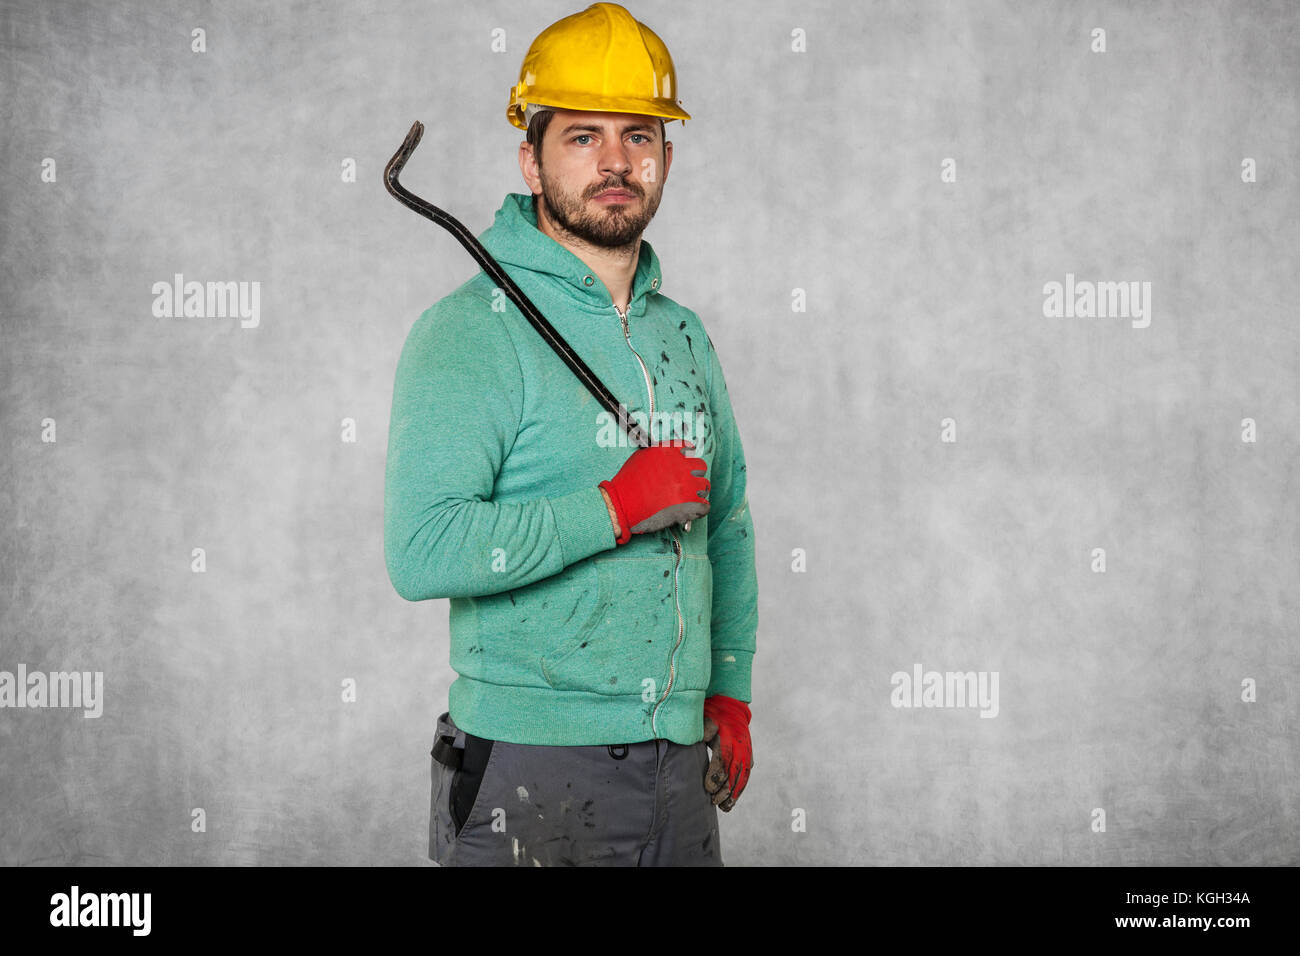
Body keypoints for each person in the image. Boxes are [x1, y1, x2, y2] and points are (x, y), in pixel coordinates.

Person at [383, 2, 758, 866]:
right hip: (531, 773)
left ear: (667, 157)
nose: (617, 161)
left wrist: (729, 692)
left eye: (640, 135)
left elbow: (726, 521)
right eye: (583, 137)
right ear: (531, 157)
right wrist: (615, 507)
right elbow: (421, 547)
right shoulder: (471, 330)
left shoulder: (685, 335)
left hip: (679, 771)